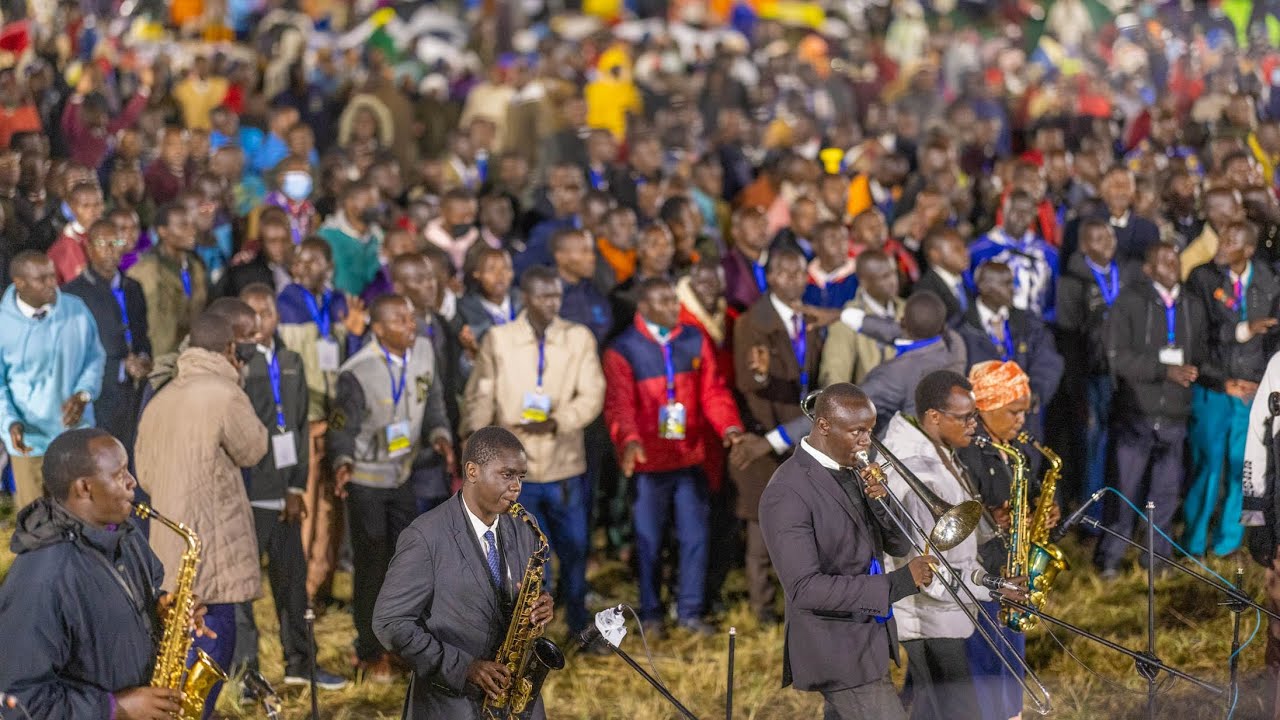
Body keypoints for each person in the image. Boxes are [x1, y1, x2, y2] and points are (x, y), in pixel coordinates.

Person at [0, 428, 207, 719]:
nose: (133, 481)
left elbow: (110, 606)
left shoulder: (123, 534)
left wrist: (162, 610)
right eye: (120, 474)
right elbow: (19, 702)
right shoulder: (42, 579)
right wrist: (115, 707)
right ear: (84, 488)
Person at [758, 383, 936, 720]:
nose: (867, 441)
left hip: (868, 636)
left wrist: (880, 501)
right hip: (836, 647)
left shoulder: (852, 468)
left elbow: (898, 544)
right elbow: (805, 588)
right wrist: (897, 583)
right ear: (824, 425)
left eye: (870, 430)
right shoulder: (787, 491)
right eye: (857, 431)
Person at [135, 309, 268, 718]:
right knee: (206, 664)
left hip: (166, 549)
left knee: (173, 663)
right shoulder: (225, 393)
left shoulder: (160, 398)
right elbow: (254, 448)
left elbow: (144, 475)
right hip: (213, 550)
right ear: (229, 349)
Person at [372, 427, 555, 719]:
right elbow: (390, 622)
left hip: (516, 700)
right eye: (507, 475)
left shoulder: (525, 526)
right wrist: (463, 668)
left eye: (520, 477)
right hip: (450, 703)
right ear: (472, 471)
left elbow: (529, 588)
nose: (516, 487)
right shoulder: (425, 536)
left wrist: (542, 603)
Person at [463, 265, 604, 639]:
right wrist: (476, 445)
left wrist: (558, 421)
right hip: (513, 474)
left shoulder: (578, 338)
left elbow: (592, 393)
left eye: (556, 295)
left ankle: (578, 625)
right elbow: (481, 395)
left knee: (575, 549)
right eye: (543, 296)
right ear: (524, 297)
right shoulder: (500, 339)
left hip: (563, 465)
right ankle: (528, 637)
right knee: (524, 558)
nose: (551, 303)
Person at [603, 277, 745, 636]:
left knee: (695, 537)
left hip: (689, 457)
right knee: (648, 541)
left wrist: (729, 426)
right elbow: (620, 405)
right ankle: (651, 613)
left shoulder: (693, 339)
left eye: (674, 301)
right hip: (649, 464)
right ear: (643, 307)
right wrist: (629, 440)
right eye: (664, 302)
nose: (674, 308)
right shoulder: (623, 349)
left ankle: (690, 612)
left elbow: (713, 391)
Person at [328, 294, 454, 680]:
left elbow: (433, 399)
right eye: (400, 320)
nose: (411, 325)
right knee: (372, 565)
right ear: (379, 329)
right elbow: (340, 424)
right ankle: (369, 650)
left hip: (402, 475)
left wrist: (440, 434)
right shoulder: (357, 371)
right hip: (366, 480)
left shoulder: (424, 352)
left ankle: (401, 644)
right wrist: (342, 461)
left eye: (411, 317)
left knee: (405, 565)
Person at [231, 283, 348, 691]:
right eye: (251, 313)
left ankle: (301, 662)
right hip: (250, 495)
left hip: (287, 495)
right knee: (244, 591)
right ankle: (246, 676)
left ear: (277, 315)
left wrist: (297, 486)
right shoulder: (236, 364)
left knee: (293, 584)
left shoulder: (291, 360)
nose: (260, 320)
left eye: (266, 311)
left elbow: (298, 428)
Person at [881, 370, 996, 720]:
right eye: (965, 417)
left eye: (975, 415)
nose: (974, 425)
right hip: (930, 617)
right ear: (934, 416)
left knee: (931, 711)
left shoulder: (939, 446)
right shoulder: (919, 470)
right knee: (961, 713)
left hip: (946, 612)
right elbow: (926, 570)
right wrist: (989, 588)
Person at [1096, 242, 1209, 577]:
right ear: (1147, 269)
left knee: (1166, 493)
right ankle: (1110, 559)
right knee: (1125, 492)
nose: (1172, 264)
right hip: (1137, 415)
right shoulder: (1129, 302)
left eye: (1174, 259)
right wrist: (1164, 370)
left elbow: (1200, 352)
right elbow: (1117, 358)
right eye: (1162, 260)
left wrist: (1196, 371)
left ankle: (1157, 559)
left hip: (1175, 415)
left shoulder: (1192, 304)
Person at [277, 235, 366, 604]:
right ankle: (302, 592)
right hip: (307, 419)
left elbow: (351, 364)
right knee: (308, 507)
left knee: (333, 506)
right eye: (299, 259)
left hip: (337, 418)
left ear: (329, 267)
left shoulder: (340, 302)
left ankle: (323, 585)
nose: (302, 266)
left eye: (313, 260)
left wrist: (356, 336)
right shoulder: (285, 304)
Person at [952, 360, 1043, 720]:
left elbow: (1031, 491)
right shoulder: (965, 451)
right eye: (1014, 411)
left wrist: (1041, 510)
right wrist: (988, 518)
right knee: (985, 667)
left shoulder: (1014, 449)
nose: (1022, 420)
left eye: (1025, 411)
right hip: (982, 577)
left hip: (1011, 573)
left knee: (1009, 662)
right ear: (986, 407)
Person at [1183, 221, 1280, 557]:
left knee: (1245, 469)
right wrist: (1221, 380)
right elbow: (1195, 336)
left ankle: (1229, 543)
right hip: (1215, 390)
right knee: (1208, 468)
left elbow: (1274, 339)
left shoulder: (1269, 280)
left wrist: (1263, 382)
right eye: (1221, 239)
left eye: (1230, 241)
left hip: (1251, 393)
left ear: (1249, 250)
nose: (1220, 245)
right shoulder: (1202, 278)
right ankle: (1193, 543)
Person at [0, 251, 104, 510]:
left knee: (82, 514)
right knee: (36, 519)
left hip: (74, 435)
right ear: (19, 282)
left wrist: (84, 393)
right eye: (42, 279)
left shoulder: (76, 309)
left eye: (52, 275)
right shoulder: (3, 324)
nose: (52, 283)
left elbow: (95, 357)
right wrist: (9, 422)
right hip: (29, 440)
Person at [62, 220, 152, 455]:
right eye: (103, 243)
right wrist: (120, 366)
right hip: (98, 393)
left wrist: (143, 358)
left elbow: (142, 334)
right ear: (89, 248)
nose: (112, 250)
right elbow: (72, 352)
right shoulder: (73, 294)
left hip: (133, 390)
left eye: (117, 242)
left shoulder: (133, 287)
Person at [1054, 218, 1122, 522]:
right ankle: (1089, 517)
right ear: (1083, 245)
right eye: (1098, 239)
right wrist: (1077, 387)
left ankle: (1114, 510)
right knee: (1094, 444)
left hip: (1122, 375)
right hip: (1092, 378)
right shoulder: (1071, 282)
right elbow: (1069, 340)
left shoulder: (1126, 273)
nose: (1106, 244)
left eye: (1109, 238)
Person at [958, 261, 1064, 439]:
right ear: (984, 287)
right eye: (1005, 284)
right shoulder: (962, 327)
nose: (1013, 289)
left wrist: (1035, 391)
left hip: (1024, 421)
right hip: (983, 425)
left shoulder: (1028, 322)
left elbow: (1048, 360)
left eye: (1012, 283)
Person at [391, 253, 463, 513]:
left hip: (439, 436)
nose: (430, 285)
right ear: (399, 287)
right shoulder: (393, 332)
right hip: (408, 446)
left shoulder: (441, 322)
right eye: (420, 280)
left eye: (431, 278)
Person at [859, 292, 968, 434]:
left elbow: (850, 407)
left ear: (902, 322)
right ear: (942, 327)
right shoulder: (955, 345)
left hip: (903, 443)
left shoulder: (893, 373)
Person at [127, 203, 209, 357]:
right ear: (162, 231)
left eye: (192, 224)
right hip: (158, 358)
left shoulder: (196, 266)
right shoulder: (145, 271)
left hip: (191, 356)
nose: (192, 230)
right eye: (183, 225)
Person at [968, 191, 1059, 322]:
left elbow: (1055, 297)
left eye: (1027, 212)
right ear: (1003, 212)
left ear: (1034, 214)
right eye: (1015, 210)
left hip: (1037, 325)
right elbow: (970, 292)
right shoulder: (979, 251)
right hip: (993, 323)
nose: (1021, 217)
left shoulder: (1048, 253)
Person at [819, 249, 904, 387]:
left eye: (893, 273)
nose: (893, 281)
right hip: (868, 398)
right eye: (884, 277)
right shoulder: (845, 320)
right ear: (864, 282)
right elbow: (835, 373)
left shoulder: (906, 310)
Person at [317, 181, 384, 296]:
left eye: (376, 201)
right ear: (349, 203)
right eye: (369, 202)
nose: (375, 206)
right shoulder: (327, 237)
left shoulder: (377, 236)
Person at [456, 246, 520, 347]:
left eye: (505, 268)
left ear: (512, 273)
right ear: (477, 273)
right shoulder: (465, 311)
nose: (499, 275)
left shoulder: (524, 303)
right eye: (491, 269)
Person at [46, 181, 104, 284]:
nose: (93, 211)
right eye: (86, 206)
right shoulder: (64, 246)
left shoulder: (110, 233)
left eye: (97, 204)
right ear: (72, 208)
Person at [915, 226, 972, 327]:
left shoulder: (963, 282)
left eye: (964, 247)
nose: (966, 252)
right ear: (935, 255)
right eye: (957, 249)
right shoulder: (926, 291)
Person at [802, 221, 858, 309]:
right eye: (832, 240)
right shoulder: (803, 279)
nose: (841, 245)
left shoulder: (860, 275)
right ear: (815, 245)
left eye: (844, 239)